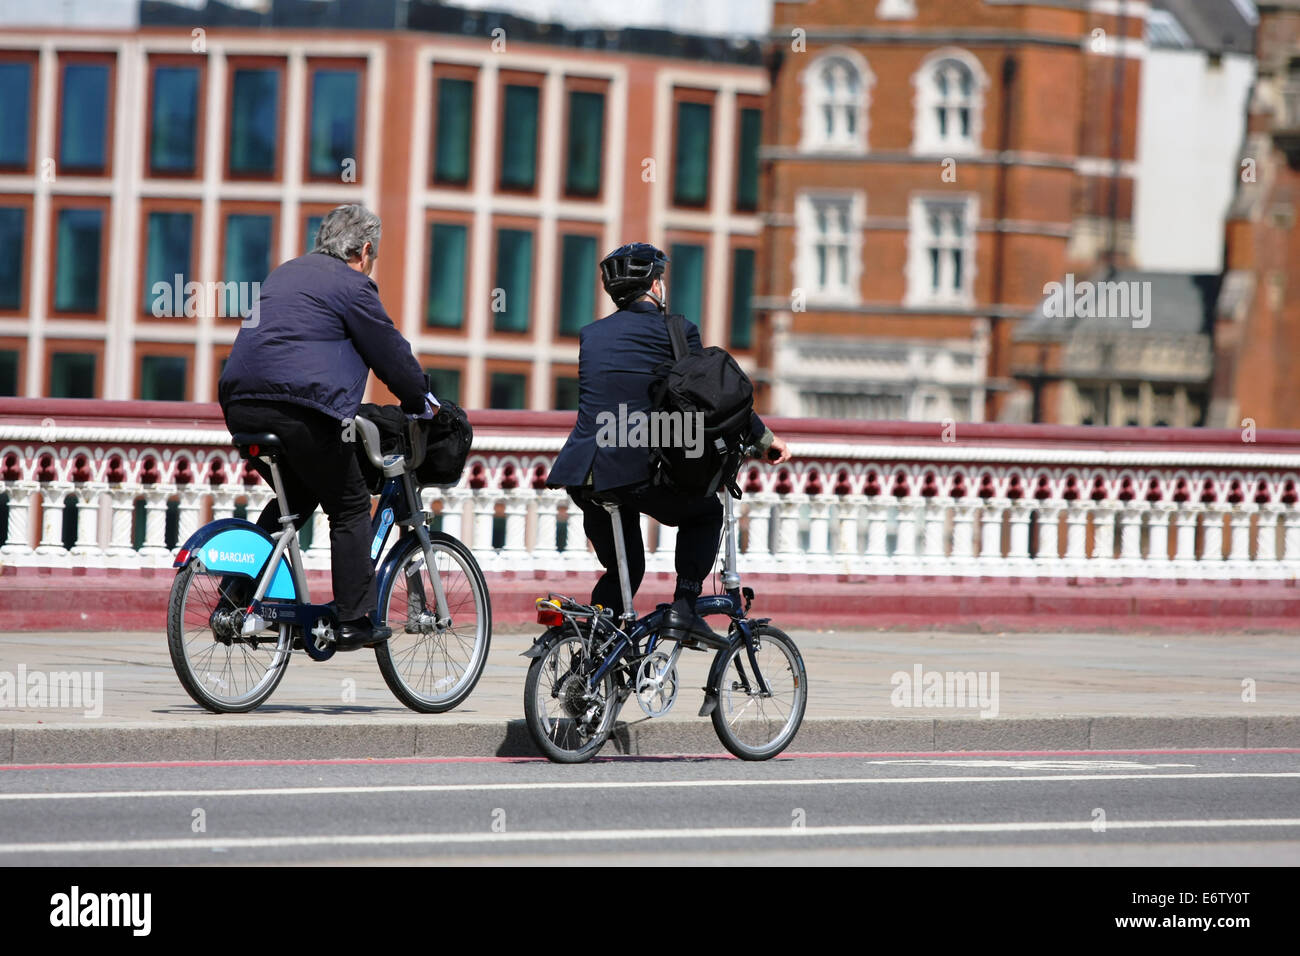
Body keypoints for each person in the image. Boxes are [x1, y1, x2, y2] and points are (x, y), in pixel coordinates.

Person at [218, 203, 437, 650]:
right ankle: (354, 618)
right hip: (302, 410)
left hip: (241, 406)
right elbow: (391, 355)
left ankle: (235, 597)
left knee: (294, 497)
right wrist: (421, 402)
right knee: (351, 504)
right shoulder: (354, 286)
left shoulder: (285, 273)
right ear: (366, 249)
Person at [547, 242, 790, 642]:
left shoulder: (592, 335)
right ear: (653, 286)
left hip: (581, 472)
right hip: (631, 467)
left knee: (625, 570)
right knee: (704, 513)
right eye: (661, 278)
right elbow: (712, 396)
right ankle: (684, 609)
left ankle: (591, 655)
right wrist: (765, 440)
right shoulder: (675, 330)